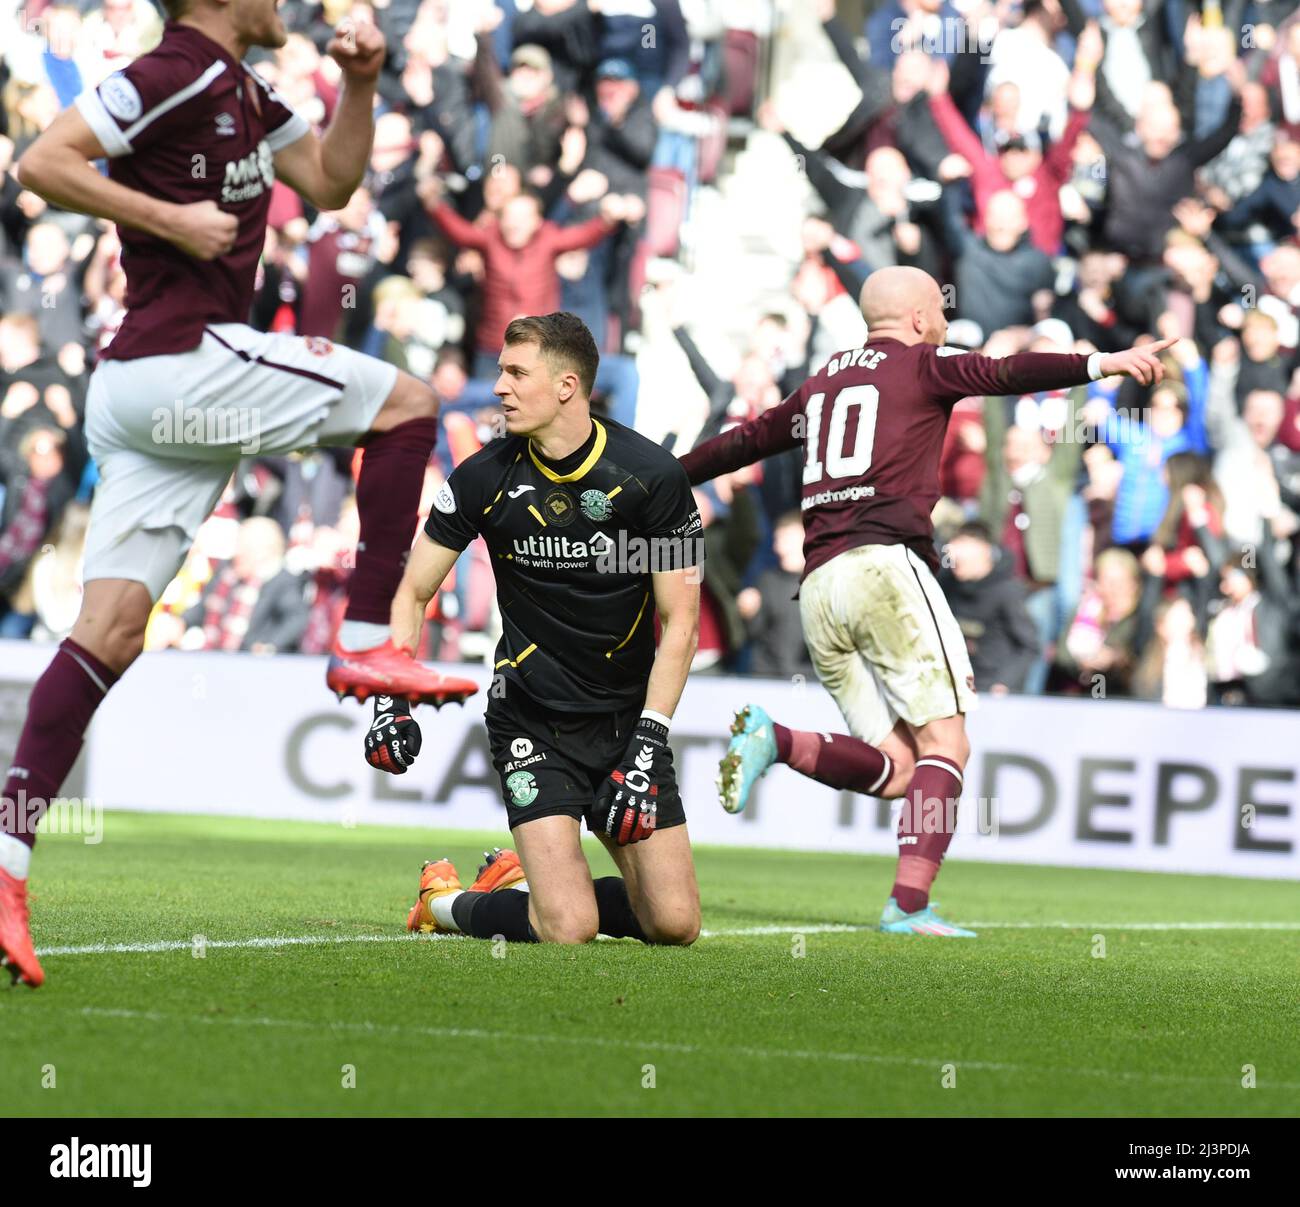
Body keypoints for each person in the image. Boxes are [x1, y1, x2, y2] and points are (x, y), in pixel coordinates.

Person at [0, 0, 479, 989]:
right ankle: (361, 642)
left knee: (110, 633)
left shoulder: (246, 91)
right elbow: (42, 161)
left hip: (148, 395)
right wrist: (167, 215)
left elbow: (335, 179)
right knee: (408, 403)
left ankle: (3, 868)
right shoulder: (173, 69)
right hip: (178, 366)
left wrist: (362, 81)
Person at [679, 265, 1174, 937]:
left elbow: (749, 438)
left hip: (820, 586)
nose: (944, 320)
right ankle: (908, 906)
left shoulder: (825, 379)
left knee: (898, 770)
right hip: (884, 567)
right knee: (949, 744)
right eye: (938, 310)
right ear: (917, 319)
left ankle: (779, 739)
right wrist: (1100, 363)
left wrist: (670, 475)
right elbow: (1005, 373)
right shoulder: (920, 365)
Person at [375, 312, 704, 948]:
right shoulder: (481, 477)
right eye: (501, 370)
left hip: (623, 723)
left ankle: (519, 881)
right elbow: (413, 592)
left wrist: (647, 744)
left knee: (674, 924)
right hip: (531, 719)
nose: (498, 386)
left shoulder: (652, 478)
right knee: (567, 928)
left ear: (566, 385)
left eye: (516, 372)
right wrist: (394, 696)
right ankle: (443, 903)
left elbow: (681, 620)